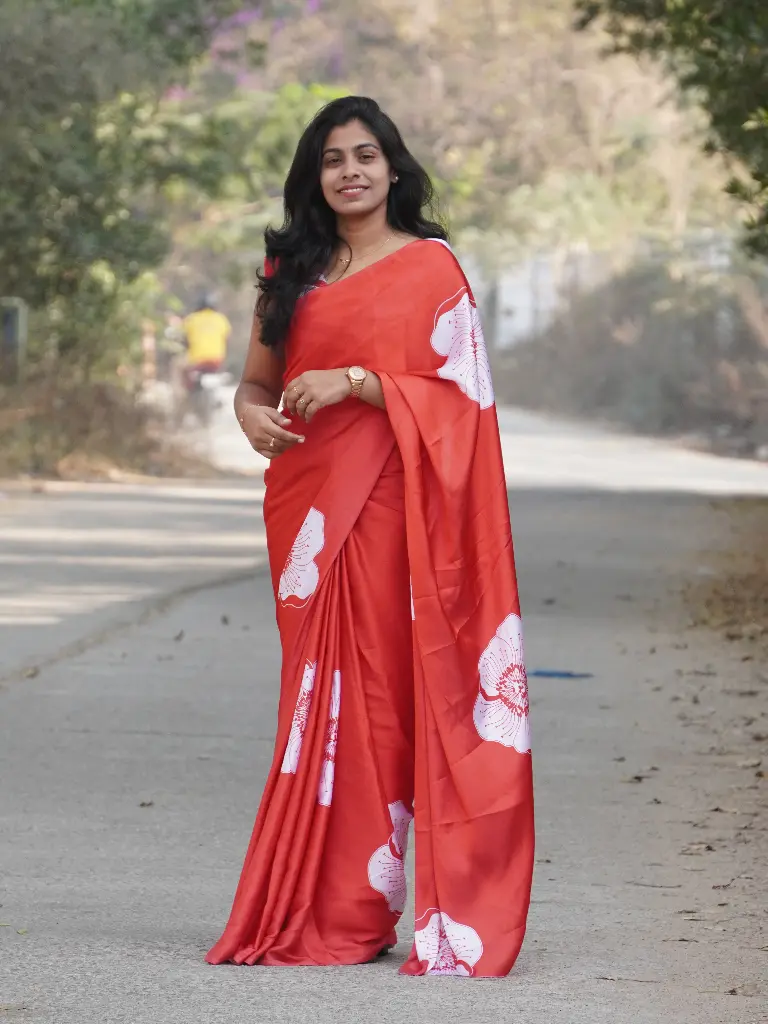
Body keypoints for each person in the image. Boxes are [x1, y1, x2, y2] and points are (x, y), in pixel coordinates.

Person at [205, 96, 534, 978]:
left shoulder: (431, 268)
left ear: (393, 168)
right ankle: (316, 901)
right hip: (308, 510)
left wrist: (355, 381)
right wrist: (248, 416)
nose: (350, 171)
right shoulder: (290, 269)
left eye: (365, 155)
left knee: (380, 703)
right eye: (332, 159)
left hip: (394, 509)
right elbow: (256, 383)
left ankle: (362, 906)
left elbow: (462, 399)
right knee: (317, 705)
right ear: (314, 176)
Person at [181, 294, 232, 383]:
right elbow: (227, 339)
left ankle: (180, 391)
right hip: (217, 360)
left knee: (177, 366)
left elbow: (184, 338)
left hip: (196, 361)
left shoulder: (191, 319)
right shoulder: (221, 319)